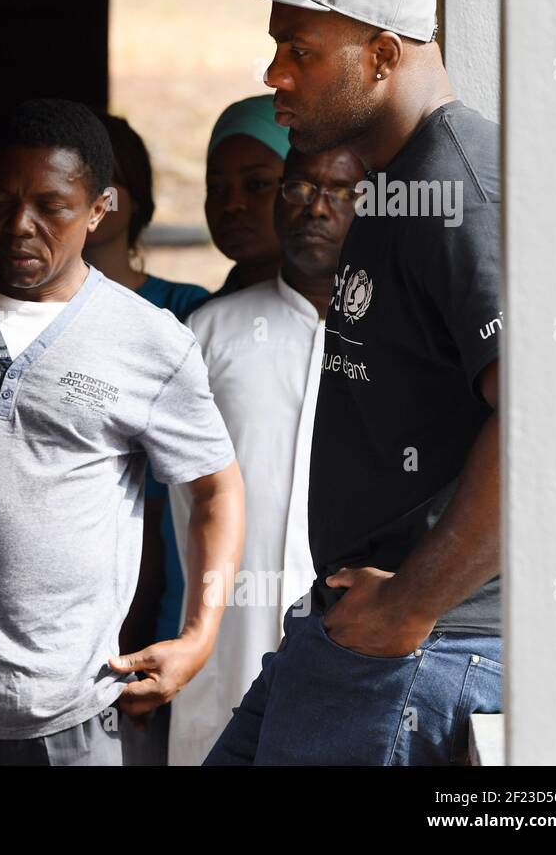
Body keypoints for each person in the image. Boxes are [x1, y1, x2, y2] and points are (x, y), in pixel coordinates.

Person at [0, 99, 244, 765]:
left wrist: (200, 633)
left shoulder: (151, 342)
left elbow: (216, 491)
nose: (19, 227)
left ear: (101, 209)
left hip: (73, 716)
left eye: (51, 205)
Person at [208, 0, 502, 765]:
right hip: (358, 633)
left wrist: (412, 602)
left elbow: (540, 421)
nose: (274, 76)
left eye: (300, 50)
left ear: (380, 55)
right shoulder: (396, 183)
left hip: (423, 651)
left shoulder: (457, 189)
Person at [168, 145, 364, 765]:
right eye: (297, 189)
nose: (315, 208)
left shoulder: (401, 341)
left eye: (341, 192)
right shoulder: (207, 334)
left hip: (352, 650)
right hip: (225, 649)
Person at [83, 110, 209, 765]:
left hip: (170, 568)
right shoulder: (29, 315)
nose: (95, 195)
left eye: (112, 180)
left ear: (140, 200)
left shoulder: (188, 311)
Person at [203, 96, 291, 300]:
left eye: (257, 184)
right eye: (215, 188)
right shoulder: (196, 325)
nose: (232, 204)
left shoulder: (352, 319)